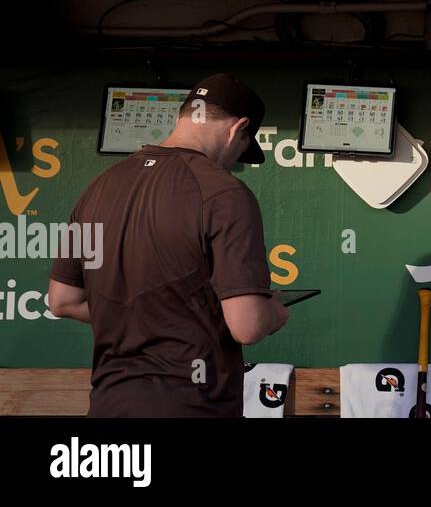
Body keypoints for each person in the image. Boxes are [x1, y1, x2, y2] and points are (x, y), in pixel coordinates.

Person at [48, 74, 288, 417]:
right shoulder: (225, 193)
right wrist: (274, 313)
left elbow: (62, 301)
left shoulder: (97, 188)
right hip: (190, 404)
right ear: (238, 129)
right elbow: (247, 326)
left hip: (109, 403)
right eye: (242, 149)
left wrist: (148, 316)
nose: (235, 160)